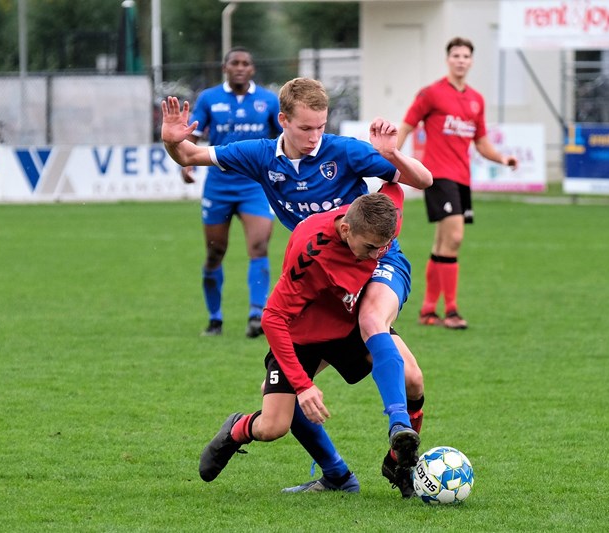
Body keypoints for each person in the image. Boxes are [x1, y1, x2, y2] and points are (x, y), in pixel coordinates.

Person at [161, 77, 432, 497]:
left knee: (391, 347)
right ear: (283, 120)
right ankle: (335, 474)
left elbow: (420, 180)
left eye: (321, 127)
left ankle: (400, 447)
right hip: (316, 280)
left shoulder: (342, 151)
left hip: (372, 262)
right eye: (306, 128)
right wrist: (172, 142)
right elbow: (190, 153)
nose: (314, 137)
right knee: (281, 413)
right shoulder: (259, 156)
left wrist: (393, 153)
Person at [197, 184, 417, 494]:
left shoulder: (380, 220)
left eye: (384, 247)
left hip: (347, 323)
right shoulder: (310, 253)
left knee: (413, 378)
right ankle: (243, 431)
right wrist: (302, 386)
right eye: (370, 248)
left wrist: (392, 155)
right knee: (273, 426)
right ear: (345, 230)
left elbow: (397, 186)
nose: (376, 256)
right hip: (303, 334)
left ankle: (400, 455)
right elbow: (272, 317)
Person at [397, 37, 518, 330]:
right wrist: (393, 158)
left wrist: (503, 159)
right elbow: (407, 125)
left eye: (466, 56)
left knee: (443, 242)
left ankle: (428, 310)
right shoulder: (431, 94)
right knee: (455, 239)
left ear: (471, 61)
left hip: (462, 178)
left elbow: (482, 142)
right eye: (456, 55)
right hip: (438, 176)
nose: (461, 60)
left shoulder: (476, 100)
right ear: (448, 59)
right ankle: (450, 310)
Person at [181, 47, 282, 338]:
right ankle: (215, 319)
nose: (240, 67)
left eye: (245, 63)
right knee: (215, 253)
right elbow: (193, 135)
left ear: (253, 69)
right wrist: (185, 163)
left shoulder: (268, 100)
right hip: (219, 185)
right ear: (225, 67)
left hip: (255, 185)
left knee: (260, 247)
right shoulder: (210, 98)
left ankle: (256, 315)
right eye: (234, 63)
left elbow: (283, 136)